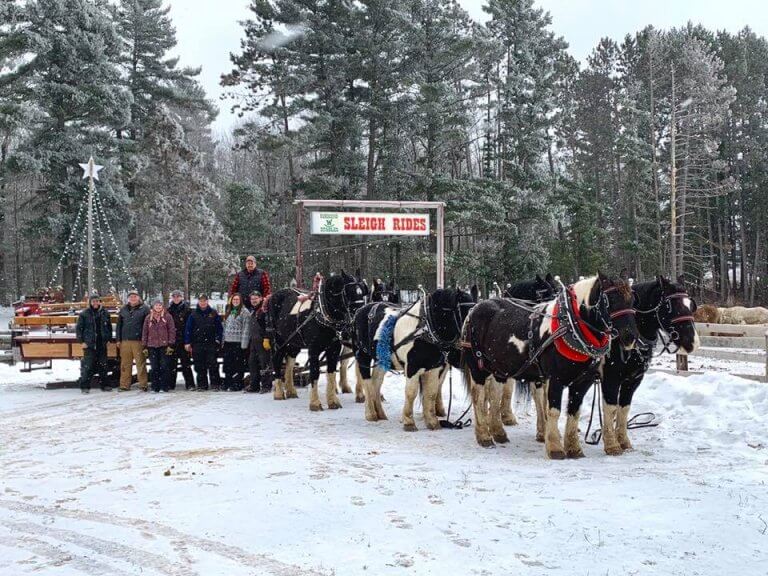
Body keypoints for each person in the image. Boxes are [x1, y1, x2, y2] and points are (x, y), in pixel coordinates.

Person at [75, 293, 113, 394]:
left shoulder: (105, 313)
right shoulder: (84, 314)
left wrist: (108, 339)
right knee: (88, 366)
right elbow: (79, 329)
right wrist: (81, 341)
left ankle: (105, 385)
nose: (95, 303)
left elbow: (108, 328)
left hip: (102, 344)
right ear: (90, 303)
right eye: (93, 301)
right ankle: (85, 386)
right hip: (89, 344)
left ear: (100, 302)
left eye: (97, 301)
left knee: (103, 366)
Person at [184, 294, 223, 391]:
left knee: (213, 364)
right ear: (198, 302)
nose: (203, 302)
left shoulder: (213, 313)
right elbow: (188, 329)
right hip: (197, 343)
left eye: (204, 301)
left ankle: (215, 384)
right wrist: (187, 342)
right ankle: (202, 385)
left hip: (211, 343)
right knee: (199, 365)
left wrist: (218, 339)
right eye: (201, 301)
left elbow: (219, 328)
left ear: (207, 301)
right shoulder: (193, 314)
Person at [116, 289, 150, 391]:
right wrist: (118, 339)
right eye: (131, 297)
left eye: (135, 296)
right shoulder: (123, 310)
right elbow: (119, 326)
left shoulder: (145, 309)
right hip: (125, 341)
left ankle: (143, 384)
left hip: (139, 341)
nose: (133, 298)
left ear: (138, 298)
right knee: (125, 364)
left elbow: (148, 325)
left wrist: (146, 340)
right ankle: (124, 385)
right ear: (128, 299)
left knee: (141, 363)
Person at [142, 298, 176, 393]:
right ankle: (155, 386)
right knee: (154, 367)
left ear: (162, 307)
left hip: (164, 345)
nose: (158, 307)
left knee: (164, 366)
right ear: (153, 306)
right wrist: (144, 345)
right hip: (152, 345)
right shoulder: (148, 317)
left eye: (160, 305)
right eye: (156, 305)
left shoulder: (167, 317)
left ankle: (164, 386)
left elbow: (172, 330)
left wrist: (170, 344)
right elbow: (145, 332)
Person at [222, 293, 251, 391]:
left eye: (237, 300)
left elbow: (246, 328)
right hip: (228, 342)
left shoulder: (244, 312)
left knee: (237, 365)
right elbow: (225, 326)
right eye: (234, 299)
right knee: (228, 364)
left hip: (238, 342)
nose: (235, 301)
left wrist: (244, 344)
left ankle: (237, 383)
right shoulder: (229, 310)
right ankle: (228, 382)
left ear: (240, 301)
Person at [245, 290, 273, 393]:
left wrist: (267, 338)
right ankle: (254, 385)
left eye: (256, 298)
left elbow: (268, 326)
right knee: (252, 363)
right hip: (254, 341)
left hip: (263, 341)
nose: (254, 300)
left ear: (261, 299)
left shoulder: (264, 310)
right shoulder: (253, 310)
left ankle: (266, 385)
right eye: (252, 299)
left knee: (264, 363)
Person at [167, 290, 195, 390]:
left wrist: (188, 341)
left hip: (184, 340)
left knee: (186, 364)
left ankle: (190, 384)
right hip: (172, 341)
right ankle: (170, 384)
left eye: (178, 296)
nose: (176, 298)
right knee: (171, 364)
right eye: (174, 296)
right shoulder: (168, 310)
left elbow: (190, 326)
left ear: (181, 297)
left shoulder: (187, 310)